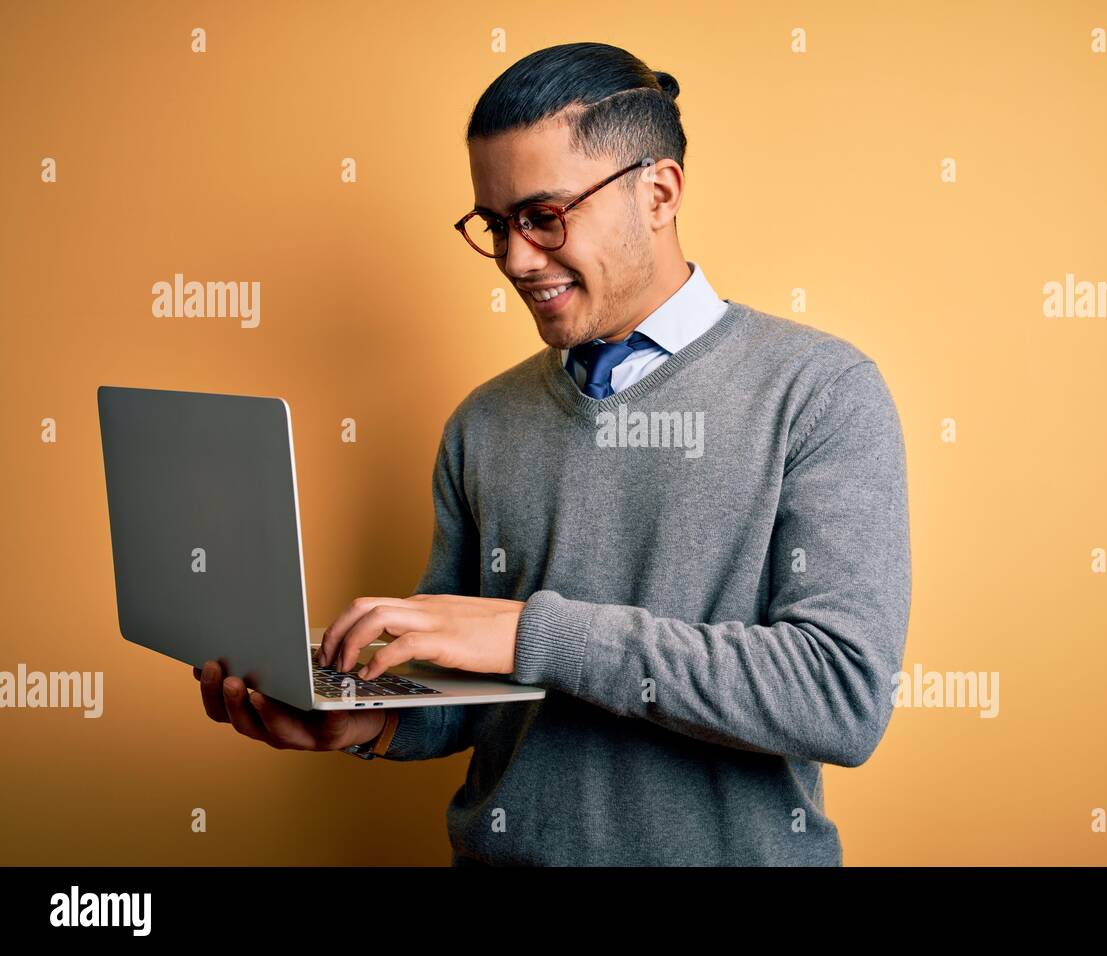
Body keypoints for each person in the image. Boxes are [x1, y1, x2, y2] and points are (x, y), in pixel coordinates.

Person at [196, 40, 912, 866]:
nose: (514, 258)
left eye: (543, 216)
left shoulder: (820, 392)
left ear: (659, 191)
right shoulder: (482, 423)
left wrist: (534, 633)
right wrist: (371, 721)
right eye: (495, 225)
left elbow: (838, 697)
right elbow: (470, 689)